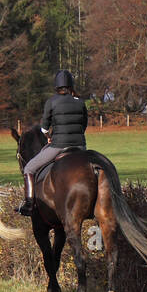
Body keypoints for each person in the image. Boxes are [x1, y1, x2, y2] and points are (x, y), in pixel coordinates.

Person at [16, 69, 87, 216]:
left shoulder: (51, 102)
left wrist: (48, 136)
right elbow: (83, 125)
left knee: (29, 168)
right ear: (71, 86)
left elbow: (43, 128)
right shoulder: (80, 102)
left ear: (57, 86)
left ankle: (29, 204)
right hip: (80, 147)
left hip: (58, 146)